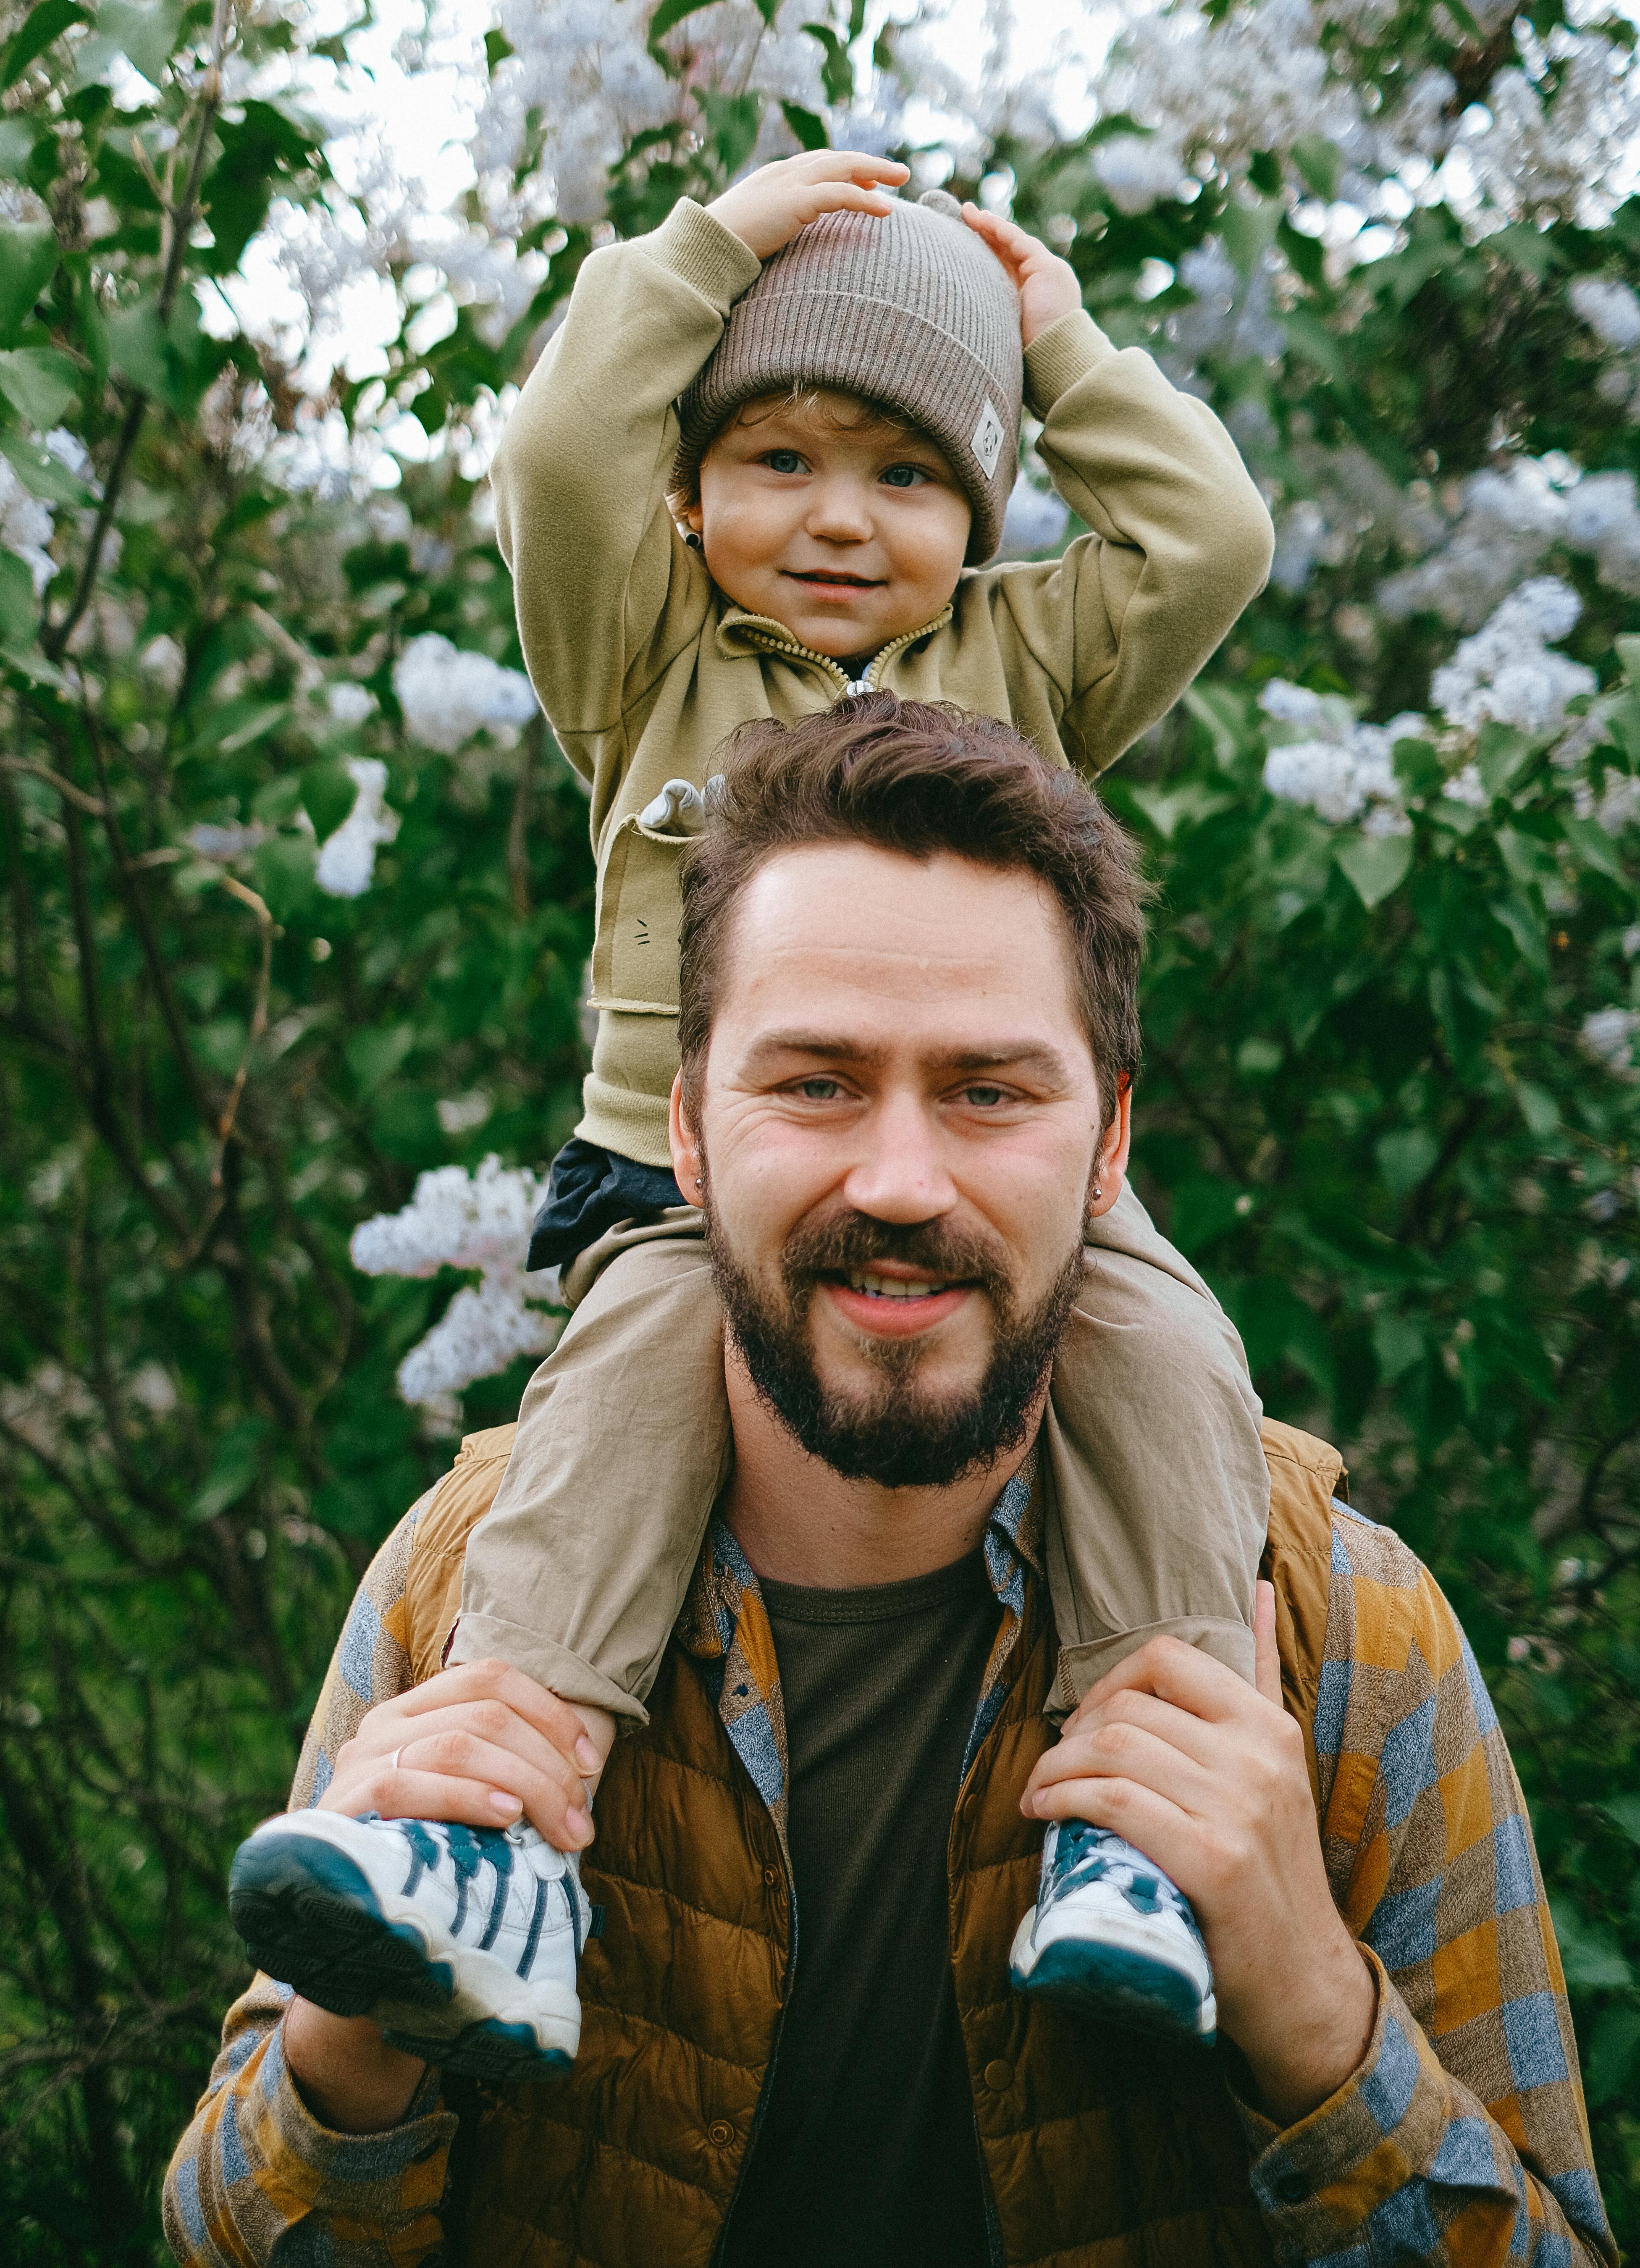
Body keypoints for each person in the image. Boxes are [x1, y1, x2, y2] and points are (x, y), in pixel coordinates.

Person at [168, 701, 1610, 2268]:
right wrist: (353, 2033)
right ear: (688, 1132)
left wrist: (1310, 2005)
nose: (902, 1183)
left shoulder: (1349, 1635)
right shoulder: (465, 1583)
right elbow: (217, 2234)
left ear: (1109, 1142)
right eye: (814, 1084)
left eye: (990, 1091)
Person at [228, 148, 1281, 2065]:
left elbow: (1208, 539)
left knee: (1167, 1357)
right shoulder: (646, 649)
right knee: (627, 1393)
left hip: (1002, 1185)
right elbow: (559, 453)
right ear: (693, 490)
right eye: (777, 458)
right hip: (677, 1178)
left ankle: (1140, 1827)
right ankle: (503, 1835)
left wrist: (1052, 339)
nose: (838, 516)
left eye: (908, 477)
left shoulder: (1026, 654)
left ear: (978, 512)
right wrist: (709, 247)